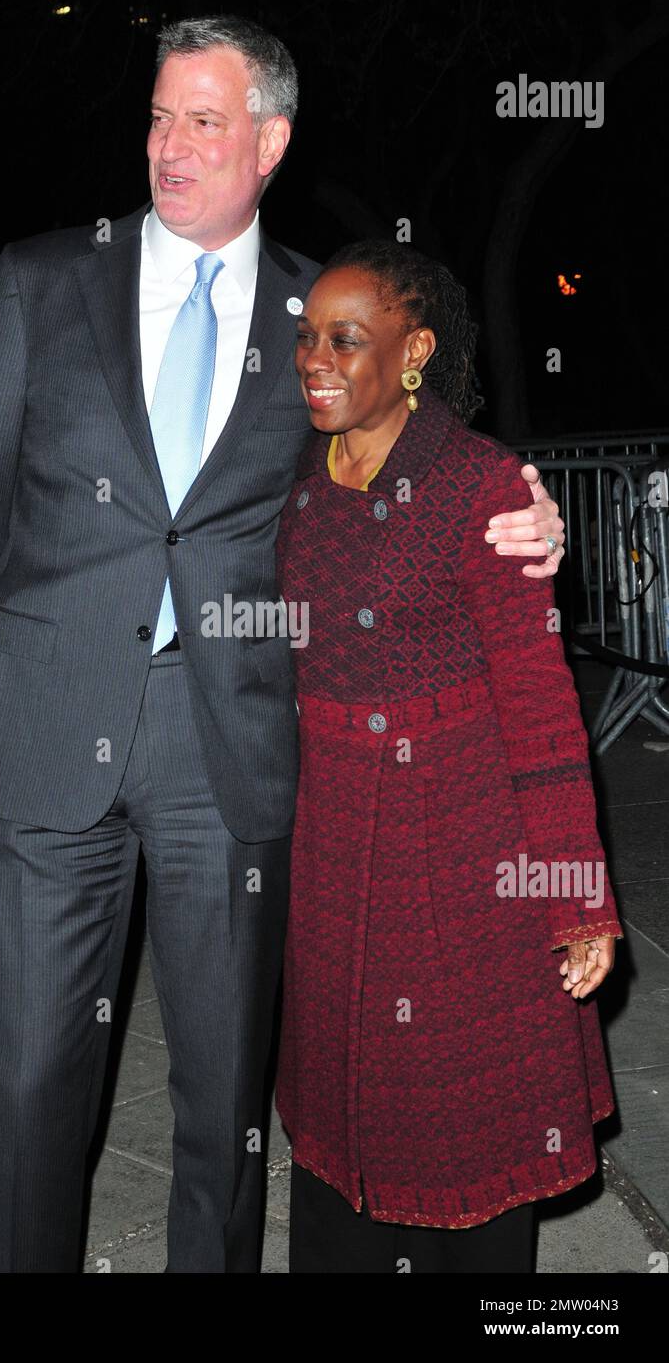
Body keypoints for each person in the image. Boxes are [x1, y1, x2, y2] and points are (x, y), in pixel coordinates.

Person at [0, 16, 565, 1274]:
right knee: (35, 1090)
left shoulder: (319, 316)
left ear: (268, 141)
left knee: (223, 1112)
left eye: (203, 121)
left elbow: (409, 467)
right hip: (47, 731)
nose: (169, 145)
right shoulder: (43, 279)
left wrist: (516, 507)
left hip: (234, 753)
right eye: (159, 117)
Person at [273, 239, 623, 1274]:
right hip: (332, 856)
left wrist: (577, 894)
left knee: (469, 1140)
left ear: (413, 349)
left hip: (463, 859)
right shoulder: (300, 476)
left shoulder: (480, 487)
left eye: (345, 337)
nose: (314, 359)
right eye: (304, 338)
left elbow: (539, 702)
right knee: (343, 1136)